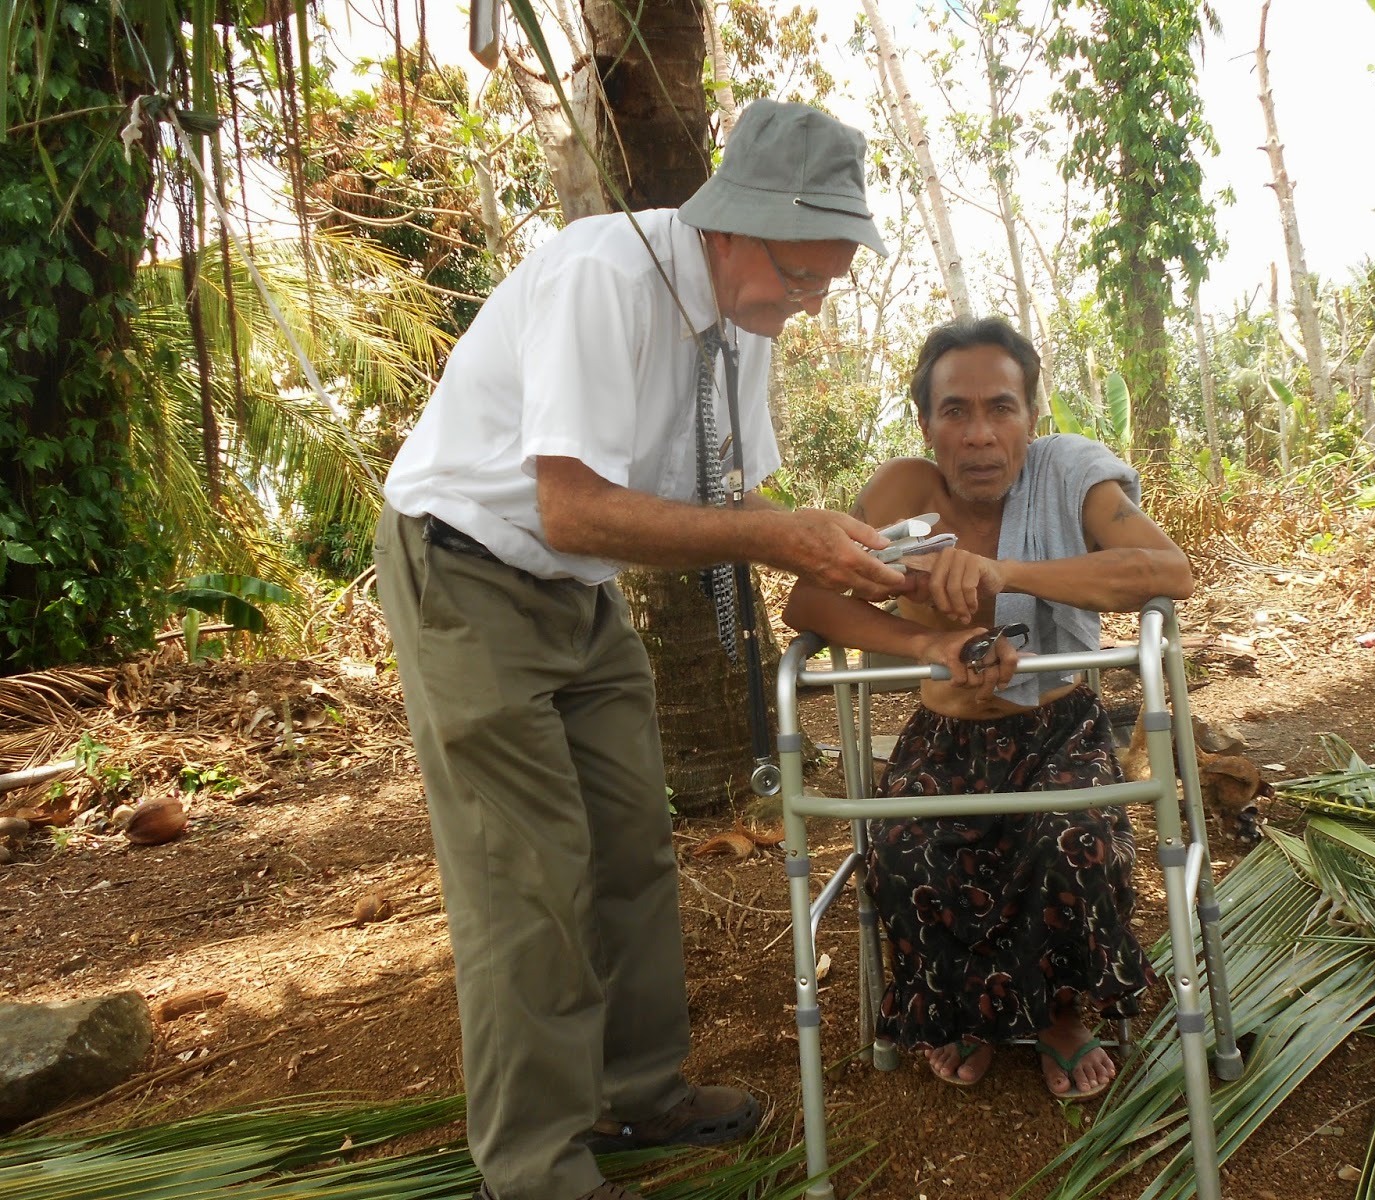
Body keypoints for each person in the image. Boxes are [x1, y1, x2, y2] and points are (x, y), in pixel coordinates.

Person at [374, 100, 910, 1200]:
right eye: (800, 278)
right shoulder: (600, 278)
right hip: (469, 570)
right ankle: (532, 1167)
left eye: (824, 283)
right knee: (526, 874)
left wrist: (837, 545)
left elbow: (732, 495)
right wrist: (774, 535)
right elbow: (570, 507)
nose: (807, 304)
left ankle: (639, 1090)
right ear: (735, 226)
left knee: (630, 844)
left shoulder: (741, 321)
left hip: (578, 594)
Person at [783, 316, 1194, 1100]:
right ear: (926, 425)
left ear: (1031, 419)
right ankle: (967, 1009)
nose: (979, 434)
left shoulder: (1070, 472)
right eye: (955, 411)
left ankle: (1060, 1015)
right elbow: (808, 601)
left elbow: (1166, 571)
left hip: (1059, 726)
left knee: (1070, 836)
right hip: (943, 734)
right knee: (902, 847)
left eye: (1001, 408)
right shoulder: (904, 492)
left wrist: (1006, 573)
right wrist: (930, 645)